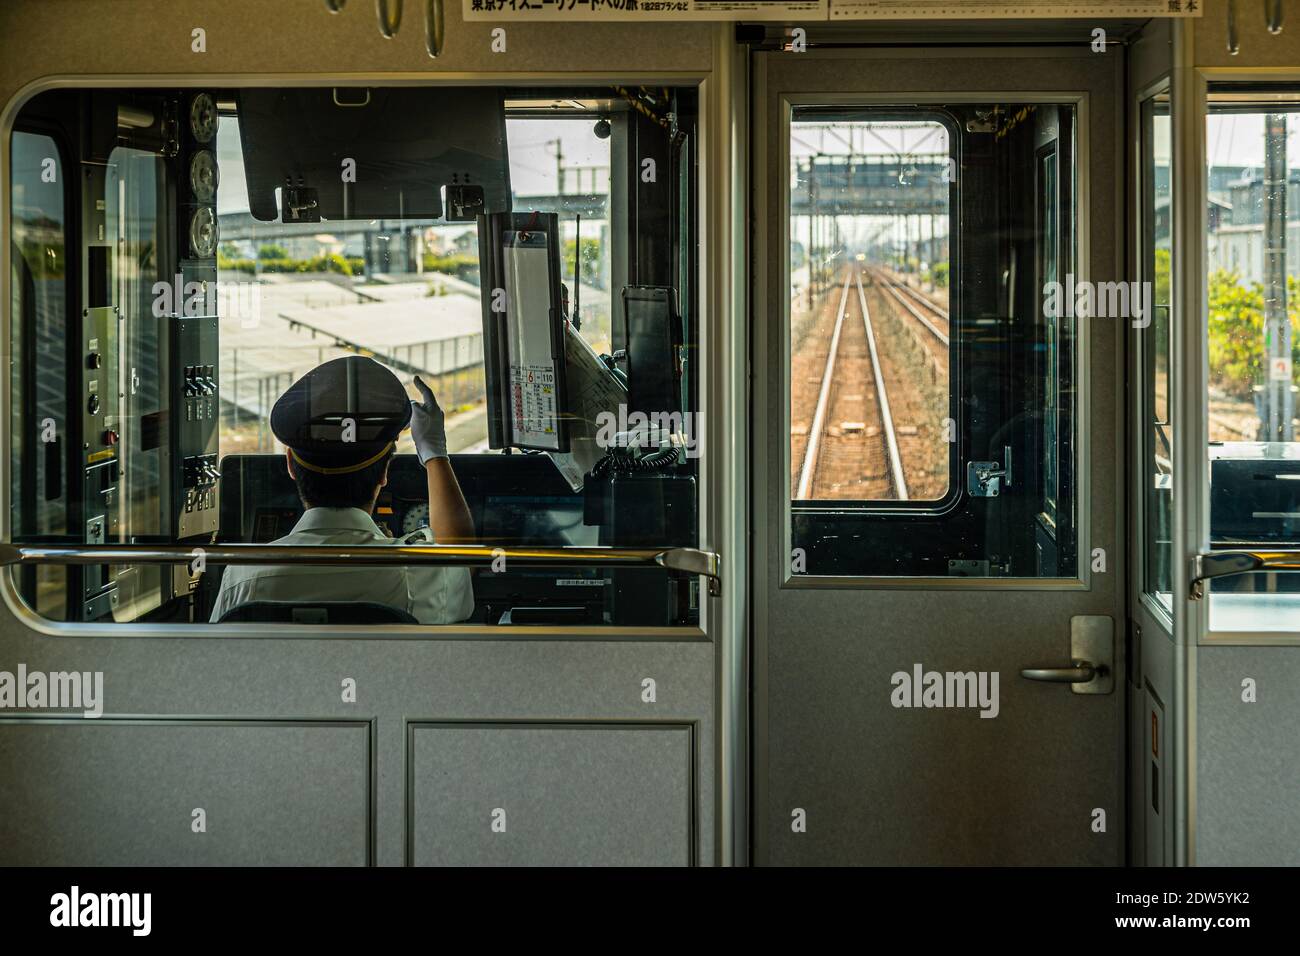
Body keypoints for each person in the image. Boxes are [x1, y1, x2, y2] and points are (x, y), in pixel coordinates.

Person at [209, 355, 476, 624]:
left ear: (291, 465)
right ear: (384, 474)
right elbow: (461, 558)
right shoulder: (418, 573)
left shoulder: (242, 576)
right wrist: (434, 453)